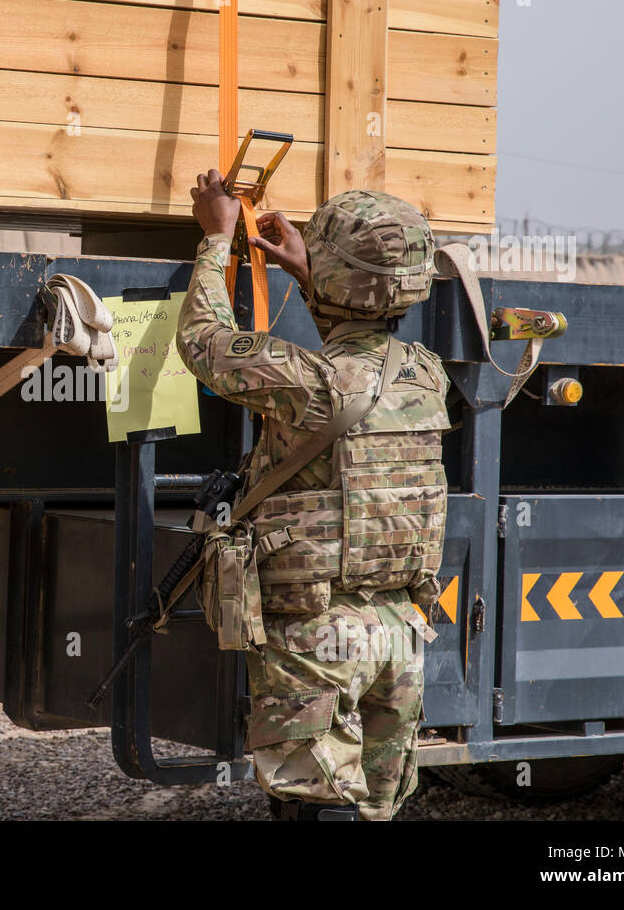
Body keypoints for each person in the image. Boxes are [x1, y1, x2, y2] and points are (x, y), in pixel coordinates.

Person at [177, 171, 450, 821]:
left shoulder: (304, 382)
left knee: (316, 792)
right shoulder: (424, 374)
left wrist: (217, 238)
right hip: (392, 628)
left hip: (316, 635)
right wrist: (314, 275)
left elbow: (203, 342)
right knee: (365, 786)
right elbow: (355, 350)